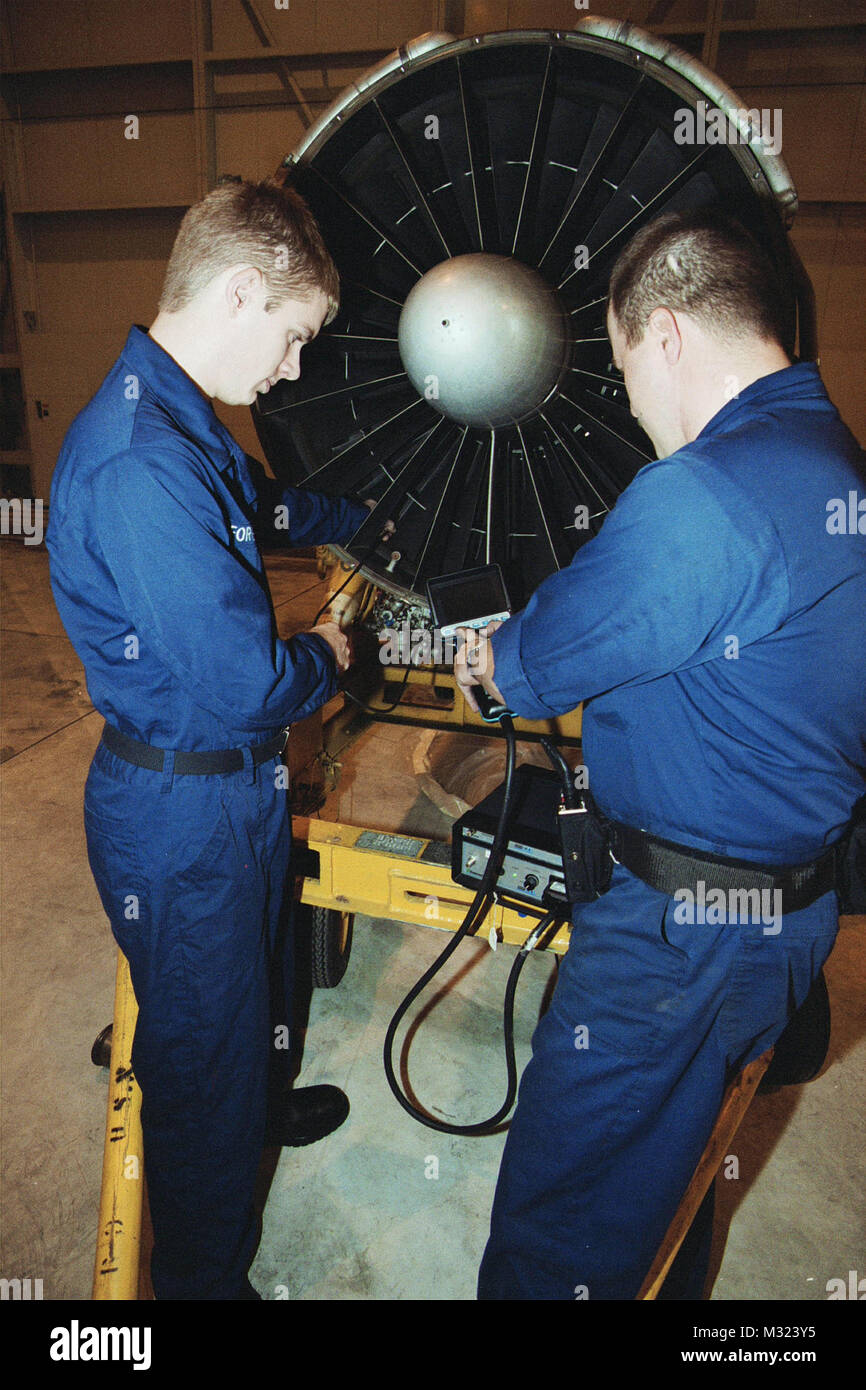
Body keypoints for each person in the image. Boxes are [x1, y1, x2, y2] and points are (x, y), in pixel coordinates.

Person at [454, 208, 866, 1300]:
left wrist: (488, 656)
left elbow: (534, 664)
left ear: (669, 334)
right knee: (670, 1174)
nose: (630, 402)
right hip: (773, 913)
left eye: (626, 363)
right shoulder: (825, 456)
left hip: (675, 939)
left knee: (567, 1211)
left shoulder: (702, 496)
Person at [47, 177, 378, 1300]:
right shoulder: (143, 460)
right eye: (290, 338)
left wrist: (366, 513)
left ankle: (259, 1093)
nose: (290, 370)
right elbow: (247, 684)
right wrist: (329, 655)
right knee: (197, 1076)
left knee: (258, 997)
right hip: (182, 815)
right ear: (240, 292)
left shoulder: (183, 421)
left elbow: (269, 506)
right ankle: (201, 1281)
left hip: (222, 802)